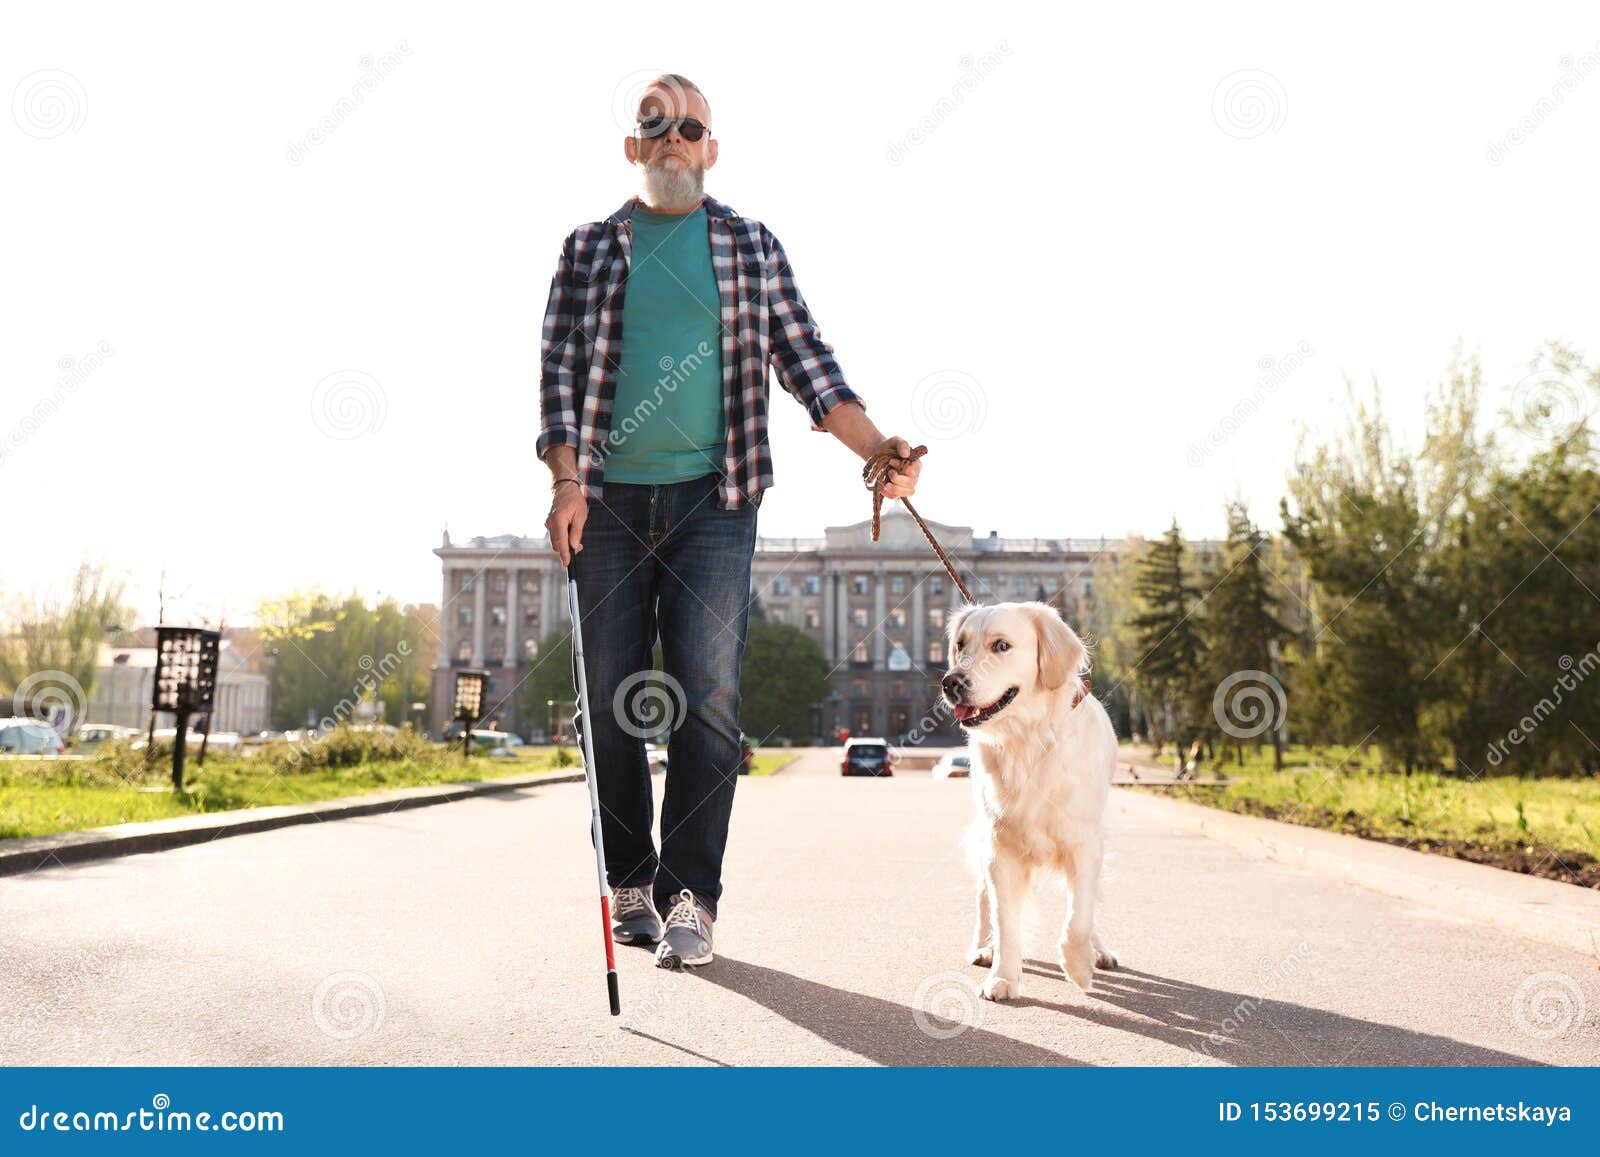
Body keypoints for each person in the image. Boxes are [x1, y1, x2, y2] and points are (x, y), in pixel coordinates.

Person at [537, 73, 921, 968]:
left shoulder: (748, 245)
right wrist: (566, 482)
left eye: (691, 127)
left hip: (718, 500)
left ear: (712, 147)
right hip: (607, 500)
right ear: (633, 147)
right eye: (656, 125)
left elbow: (807, 363)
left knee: (708, 704)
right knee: (610, 700)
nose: (674, 139)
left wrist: (878, 449)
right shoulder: (589, 249)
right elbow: (557, 378)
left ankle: (691, 898)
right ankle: (630, 880)